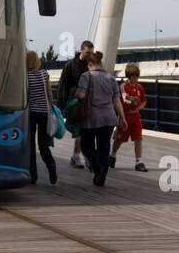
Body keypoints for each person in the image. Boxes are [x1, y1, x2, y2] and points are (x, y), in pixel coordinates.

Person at [75, 50, 123, 187]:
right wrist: (122, 117)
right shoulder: (111, 78)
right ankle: (102, 174)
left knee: (86, 145)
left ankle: (97, 168)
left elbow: (82, 95)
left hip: (91, 118)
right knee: (104, 147)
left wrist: (76, 95)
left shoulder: (86, 76)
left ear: (90, 64)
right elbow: (117, 100)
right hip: (108, 118)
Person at [56, 39, 95, 168]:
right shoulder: (71, 65)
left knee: (86, 132)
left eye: (91, 53)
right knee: (80, 132)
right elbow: (63, 85)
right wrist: (62, 106)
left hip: (89, 103)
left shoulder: (92, 65)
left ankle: (80, 156)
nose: (90, 55)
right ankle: (80, 157)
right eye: (88, 52)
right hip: (76, 103)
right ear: (81, 50)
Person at [25, 51, 57, 185]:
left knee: (30, 145)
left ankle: (33, 176)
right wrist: (51, 107)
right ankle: (51, 168)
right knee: (43, 145)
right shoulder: (44, 74)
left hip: (31, 113)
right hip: (45, 112)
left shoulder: (26, 76)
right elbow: (50, 93)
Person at [112, 62, 148, 171]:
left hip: (136, 116)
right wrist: (136, 100)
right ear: (129, 77)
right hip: (125, 116)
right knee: (120, 139)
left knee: (138, 139)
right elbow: (126, 99)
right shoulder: (123, 86)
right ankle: (112, 155)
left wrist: (139, 107)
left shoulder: (140, 87)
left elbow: (144, 101)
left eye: (137, 77)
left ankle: (139, 161)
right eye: (133, 77)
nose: (135, 80)